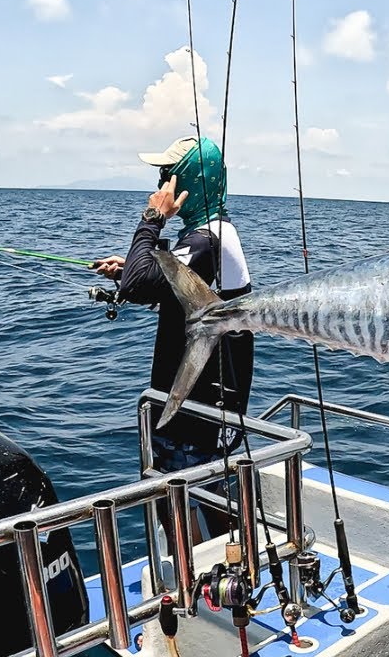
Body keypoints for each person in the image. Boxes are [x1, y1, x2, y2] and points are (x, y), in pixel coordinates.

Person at [92, 136, 254, 542]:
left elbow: (144, 284)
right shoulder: (214, 234)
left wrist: (152, 217)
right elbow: (167, 286)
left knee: (172, 501)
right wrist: (131, 267)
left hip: (194, 406)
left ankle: (198, 581)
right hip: (208, 399)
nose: (162, 182)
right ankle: (227, 575)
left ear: (191, 181)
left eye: (168, 173)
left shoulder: (206, 239)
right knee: (212, 498)